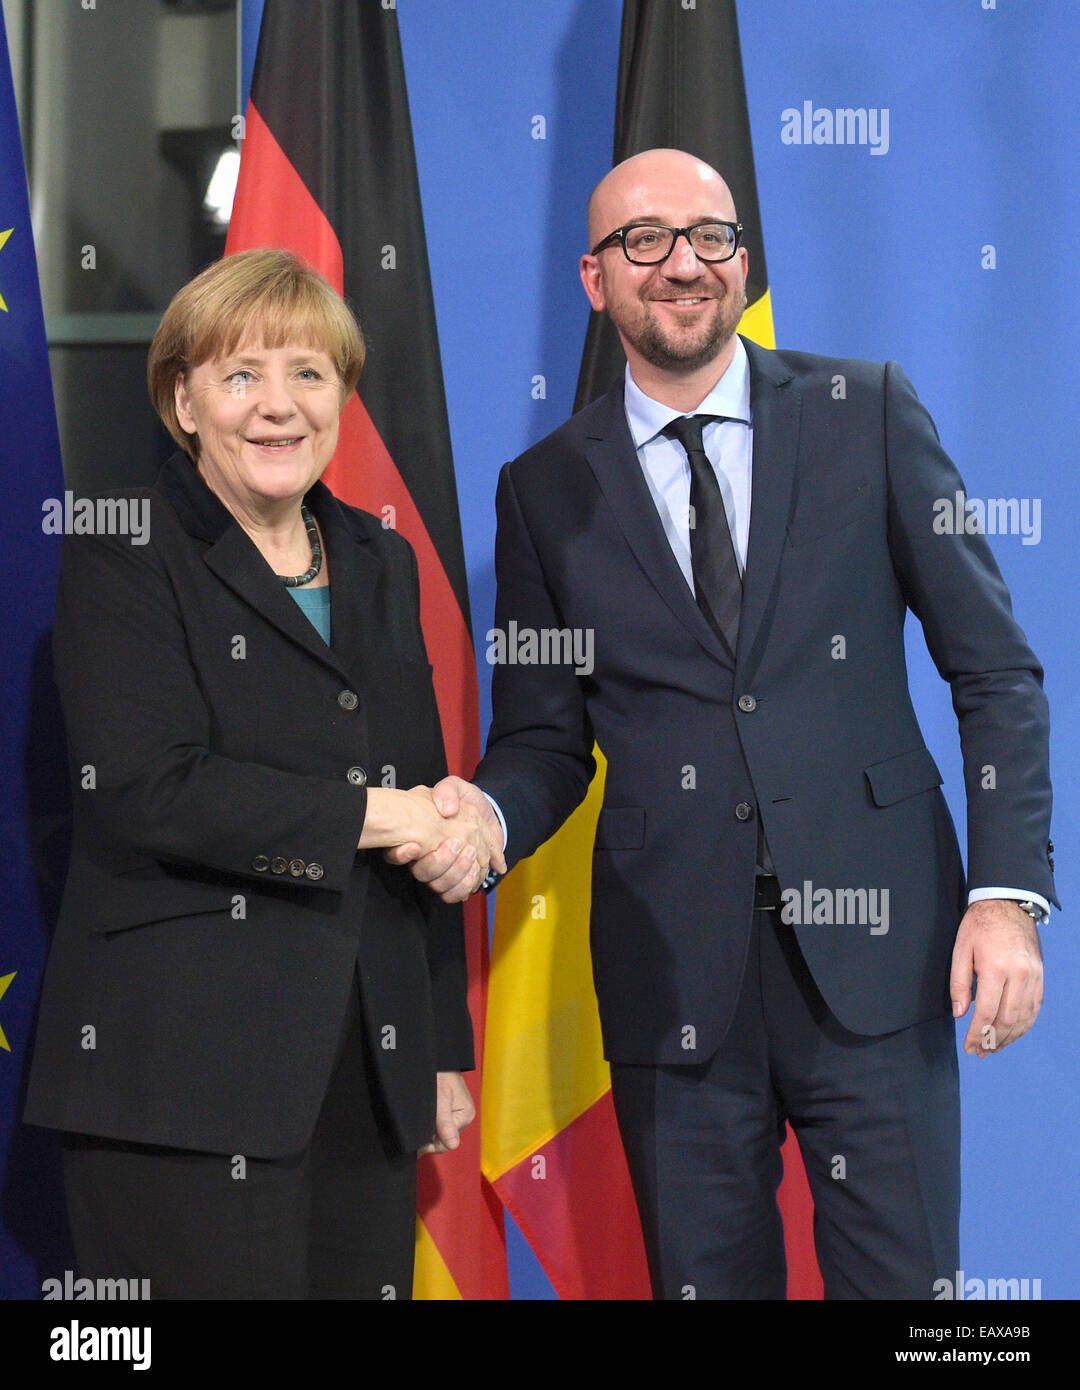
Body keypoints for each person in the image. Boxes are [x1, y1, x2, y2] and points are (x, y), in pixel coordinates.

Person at [393, 149, 1057, 1299]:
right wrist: (489, 815)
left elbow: (995, 670)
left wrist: (1005, 898)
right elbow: (548, 738)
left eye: (711, 236)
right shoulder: (543, 487)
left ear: (743, 262)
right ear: (596, 280)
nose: (684, 263)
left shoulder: (872, 410)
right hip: (673, 970)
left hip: (881, 953)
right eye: (645, 241)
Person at [25, 247, 504, 1300]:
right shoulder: (126, 546)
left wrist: (432, 1044)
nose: (277, 406)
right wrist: (381, 814)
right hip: (181, 1084)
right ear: (183, 400)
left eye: (309, 374)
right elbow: (147, 788)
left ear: (342, 395)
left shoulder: (379, 561)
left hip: (363, 1075)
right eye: (241, 376)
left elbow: (422, 794)